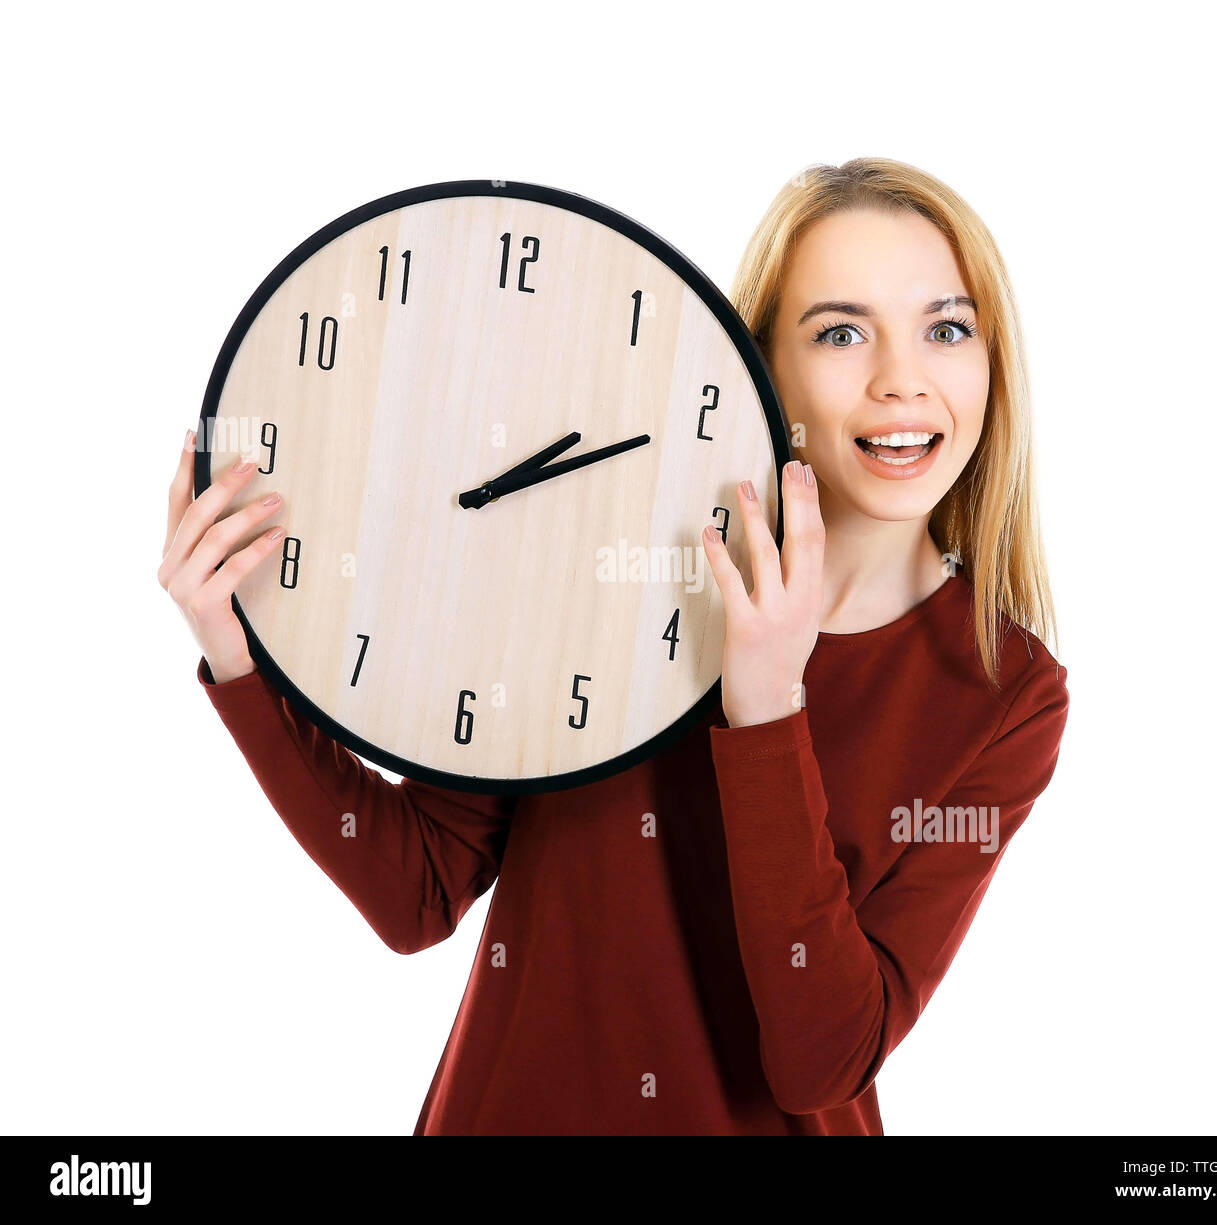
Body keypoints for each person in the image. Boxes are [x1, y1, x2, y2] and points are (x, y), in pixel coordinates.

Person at [159, 158, 1069, 1135]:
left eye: (946, 327)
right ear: (758, 361)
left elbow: (818, 1060)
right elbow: (416, 889)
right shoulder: (604, 545)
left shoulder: (1004, 691)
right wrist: (237, 653)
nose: (901, 379)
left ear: (991, 359)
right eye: (840, 331)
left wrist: (766, 708)